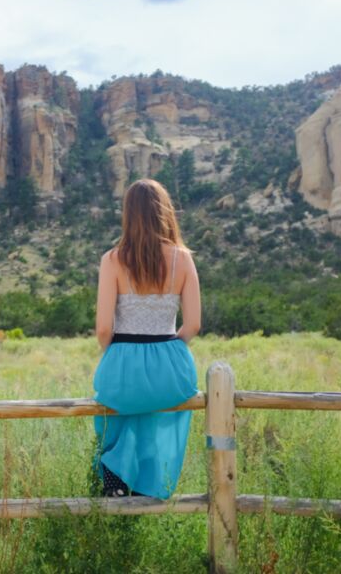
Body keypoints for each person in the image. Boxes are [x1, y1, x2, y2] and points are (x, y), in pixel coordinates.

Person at [92, 178, 201, 499]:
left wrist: (118, 355)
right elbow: (193, 325)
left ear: (129, 215)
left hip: (123, 357)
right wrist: (167, 351)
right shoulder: (183, 258)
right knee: (156, 406)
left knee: (119, 404)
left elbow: (102, 329)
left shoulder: (112, 260)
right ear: (164, 212)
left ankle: (116, 478)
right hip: (171, 363)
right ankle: (150, 480)